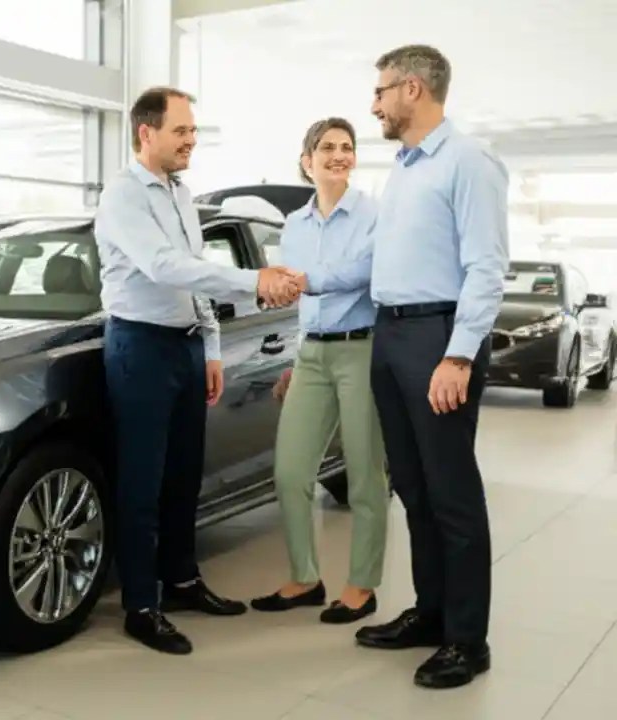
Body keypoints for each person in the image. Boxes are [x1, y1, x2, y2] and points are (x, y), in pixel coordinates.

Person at [94, 85, 304, 655]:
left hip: (185, 348)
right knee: (142, 481)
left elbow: (196, 273)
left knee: (185, 472)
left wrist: (210, 346)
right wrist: (256, 280)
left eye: (192, 131)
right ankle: (142, 605)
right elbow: (164, 267)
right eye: (181, 131)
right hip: (140, 348)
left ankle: (182, 579)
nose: (191, 141)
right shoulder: (122, 196)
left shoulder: (181, 192)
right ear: (146, 133)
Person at [346, 45, 508, 690]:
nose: (375, 103)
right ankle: (432, 611)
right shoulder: (407, 167)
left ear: (412, 89)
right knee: (413, 489)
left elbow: (487, 269)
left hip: (439, 339)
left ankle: (468, 640)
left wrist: (460, 354)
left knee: (452, 495)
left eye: (382, 90)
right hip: (393, 336)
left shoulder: (468, 162)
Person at [248, 118, 390, 625]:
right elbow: (298, 302)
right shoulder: (295, 224)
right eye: (327, 147)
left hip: (361, 350)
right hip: (312, 353)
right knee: (290, 471)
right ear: (307, 160)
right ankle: (304, 578)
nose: (339, 154)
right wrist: (294, 358)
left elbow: (365, 274)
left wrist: (308, 281)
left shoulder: (374, 213)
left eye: (347, 147)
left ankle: (362, 585)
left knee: (366, 476)